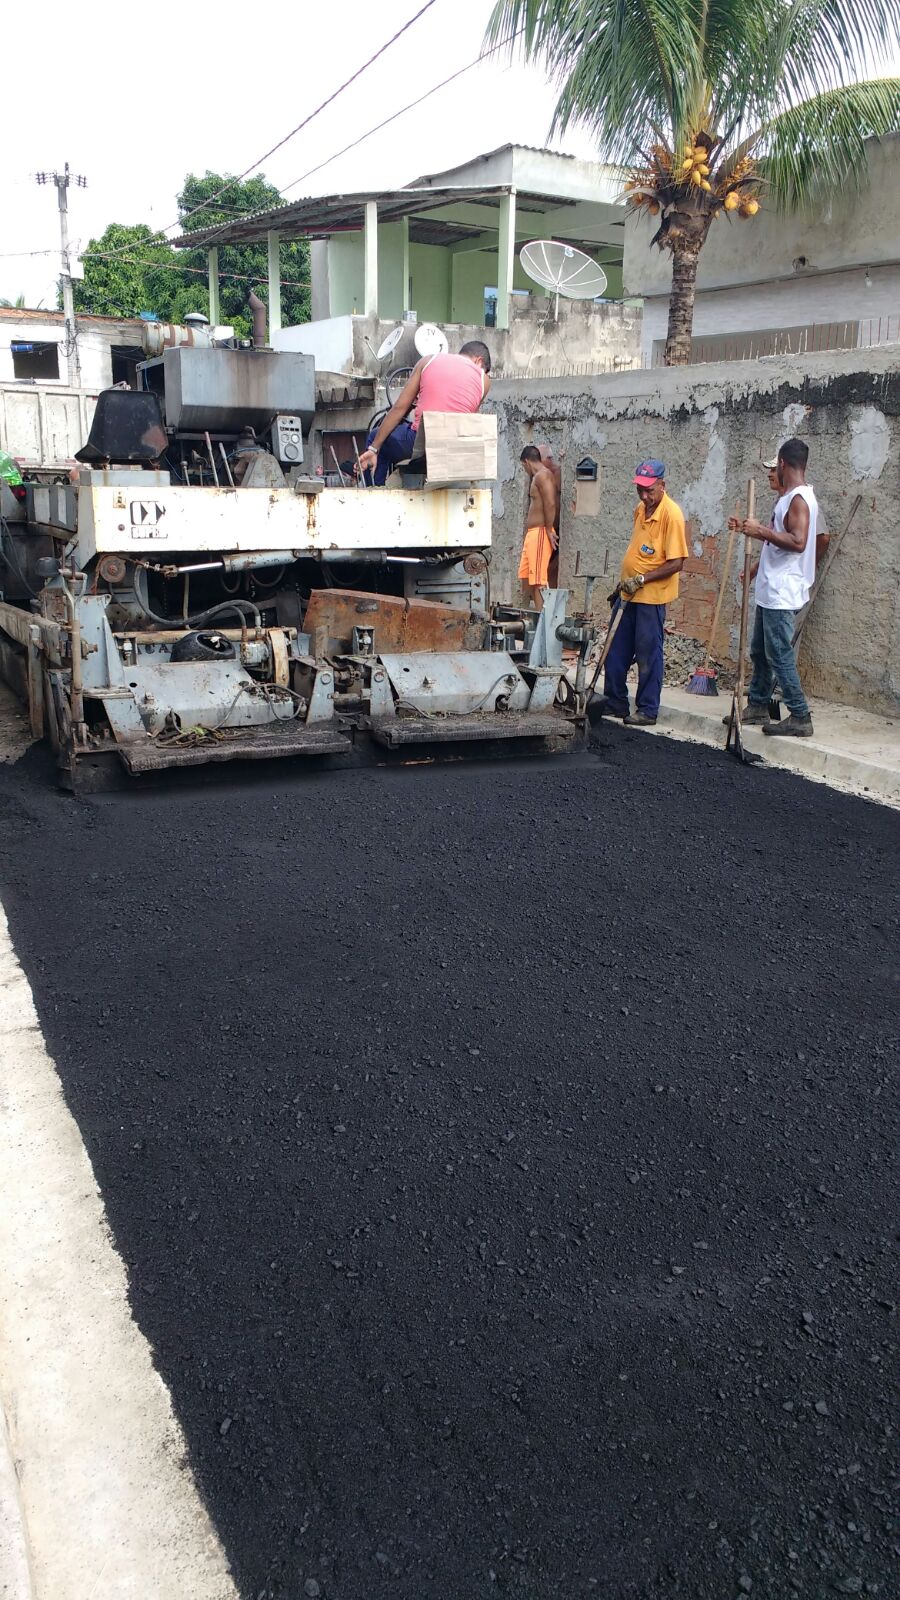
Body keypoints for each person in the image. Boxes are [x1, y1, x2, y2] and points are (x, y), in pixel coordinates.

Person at [731, 437, 818, 738]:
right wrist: (756, 568)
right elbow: (776, 545)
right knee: (759, 650)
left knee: (779, 653)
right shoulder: (787, 498)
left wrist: (759, 531)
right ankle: (757, 704)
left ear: (782, 463)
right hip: (771, 589)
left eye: (774, 465)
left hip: (783, 592)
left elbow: (798, 542)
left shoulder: (799, 499)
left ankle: (799, 714)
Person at [599, 458, 688, 727]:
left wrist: (641, 578)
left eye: (650, 490)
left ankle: (648, 709)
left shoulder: (671, 515)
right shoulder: (641, 509)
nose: (645, 495)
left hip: (651, 597)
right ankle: (615, 702)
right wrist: (627, 581)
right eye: (640, 489)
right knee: (614, 649)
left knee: (648, 653)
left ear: (663, 485)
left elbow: (677, 562)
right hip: (628, 593)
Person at [356, 341, 492, 486]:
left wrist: (374, 448)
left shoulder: (428, 361)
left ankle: (374, 490)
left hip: (422, 444)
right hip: (456, 448)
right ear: (479, 361)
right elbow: (469, 422)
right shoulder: (484, 380)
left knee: (375, 436)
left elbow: (399, 408)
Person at [518, 447, 558, 609]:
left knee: (539, 581)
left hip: (541, 533)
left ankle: (545, 622)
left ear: (527, 462)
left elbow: (550, 503)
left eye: (523, 466)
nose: (524, 470)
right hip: (533, 535)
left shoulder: (543, 476)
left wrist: (548, 529)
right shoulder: (537, 477)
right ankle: (537, 618)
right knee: (529, 578)